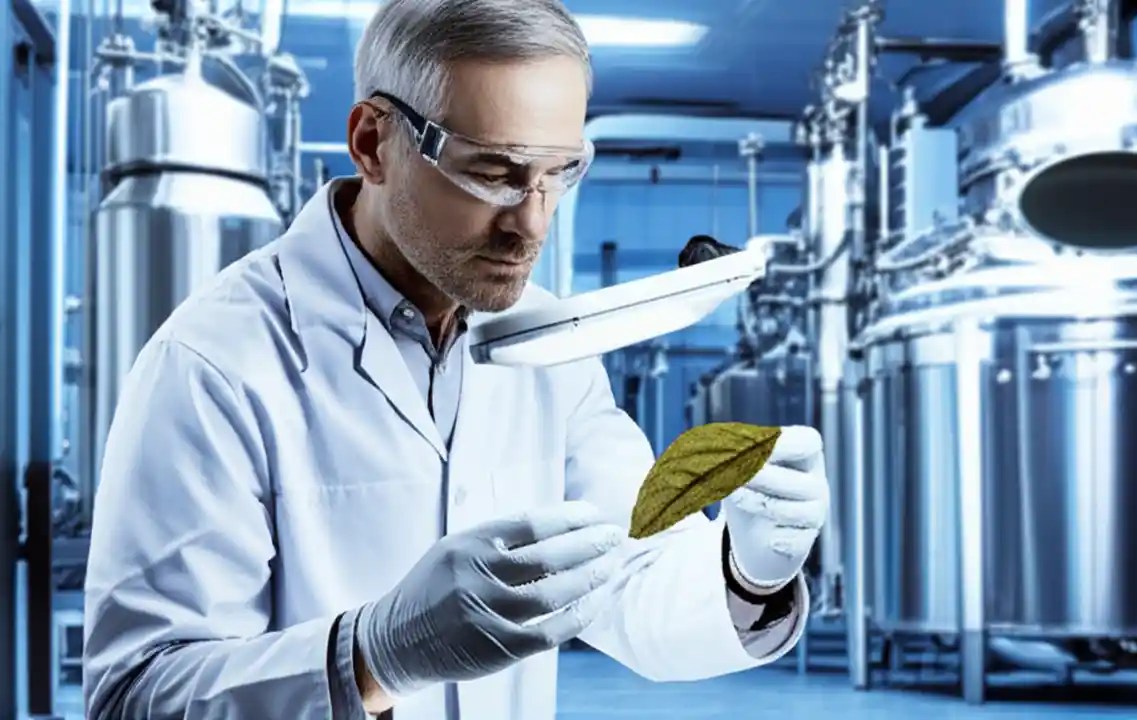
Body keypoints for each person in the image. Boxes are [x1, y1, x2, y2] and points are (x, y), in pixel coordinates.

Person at [81, 0, 831, 717]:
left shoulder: (551, 345)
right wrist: (374, 656)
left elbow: (627, 577)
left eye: (560, 172)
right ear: (374, 143)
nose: (531, 223)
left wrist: (747, 571)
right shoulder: (214, 363)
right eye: (495, 171)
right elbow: (136, 694)